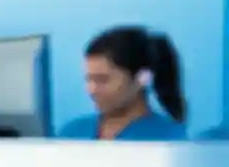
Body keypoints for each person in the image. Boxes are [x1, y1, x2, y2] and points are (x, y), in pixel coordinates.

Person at [58, 26, 188, 141]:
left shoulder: (169, 140)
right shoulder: (71, 134)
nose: (91, 90)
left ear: (142, 78)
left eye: (103, 80)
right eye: (89, 79)